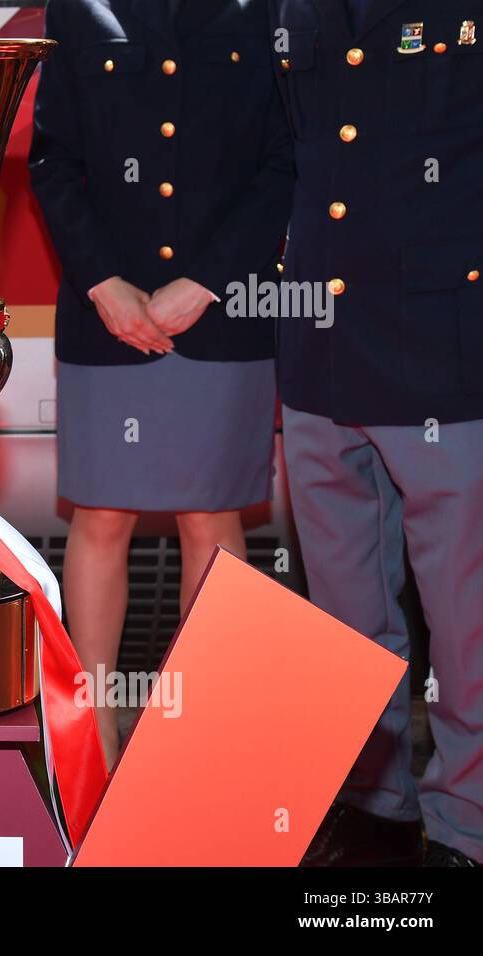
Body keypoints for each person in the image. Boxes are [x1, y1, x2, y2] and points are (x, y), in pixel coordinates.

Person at [29, 0, 293, 768]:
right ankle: (93, 744)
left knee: (211, 515)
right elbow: (52, 160)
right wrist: (102, 283)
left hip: (224, 313)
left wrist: (206, 281)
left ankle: (201, 750)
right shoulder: (80, 10)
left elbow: (285, 161)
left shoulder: (262, 10)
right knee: (102, 515)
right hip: (106, 316)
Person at [271, 0, 483, 868]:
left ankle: (468, 823)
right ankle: (372, 805)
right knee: (344, 614)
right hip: (321, 347)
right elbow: (283, 154)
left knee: (467, 620)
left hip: (446, 345)